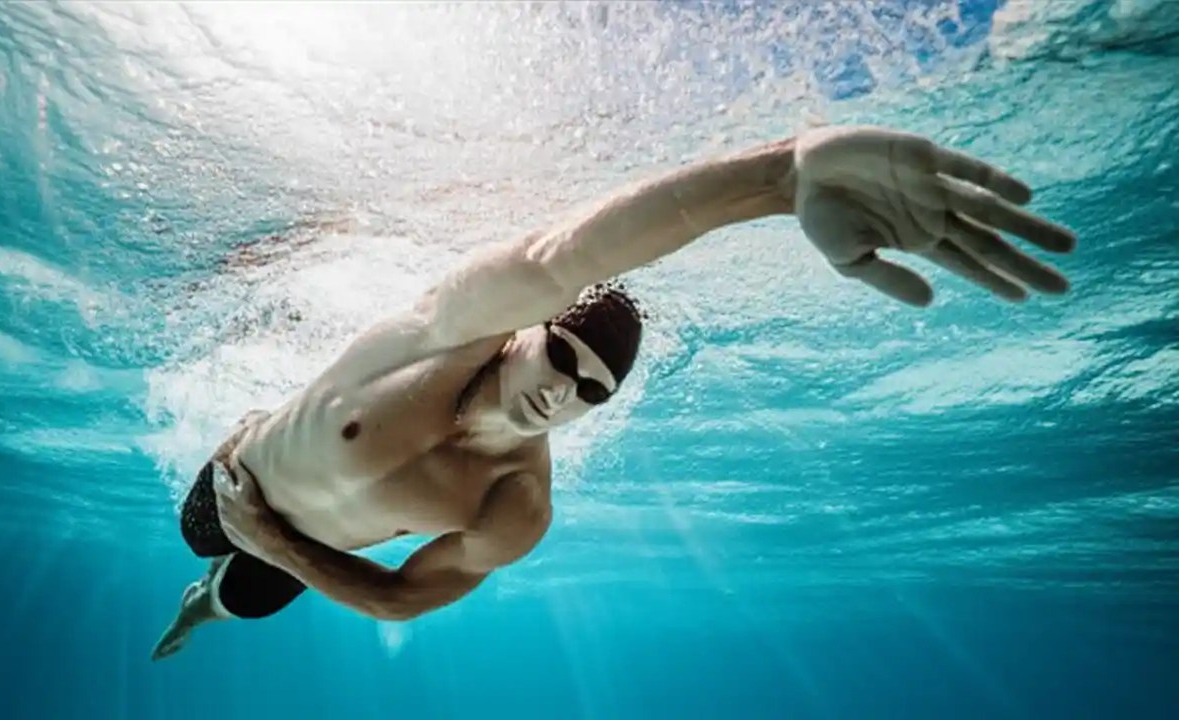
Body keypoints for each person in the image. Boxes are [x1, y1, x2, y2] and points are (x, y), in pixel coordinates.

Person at [151, 125, 1076, 660]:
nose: (567, 392)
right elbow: (578, 252)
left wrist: (275, 542)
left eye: (592, 391)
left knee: (244, 592)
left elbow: (400, 601)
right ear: (526, 334)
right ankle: (218, 557)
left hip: (287, 544)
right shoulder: (443, 330)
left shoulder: (518, 506)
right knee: (199, 531)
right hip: (239, 476)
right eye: (562, 358)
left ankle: (202, 607)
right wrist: (781, 176)